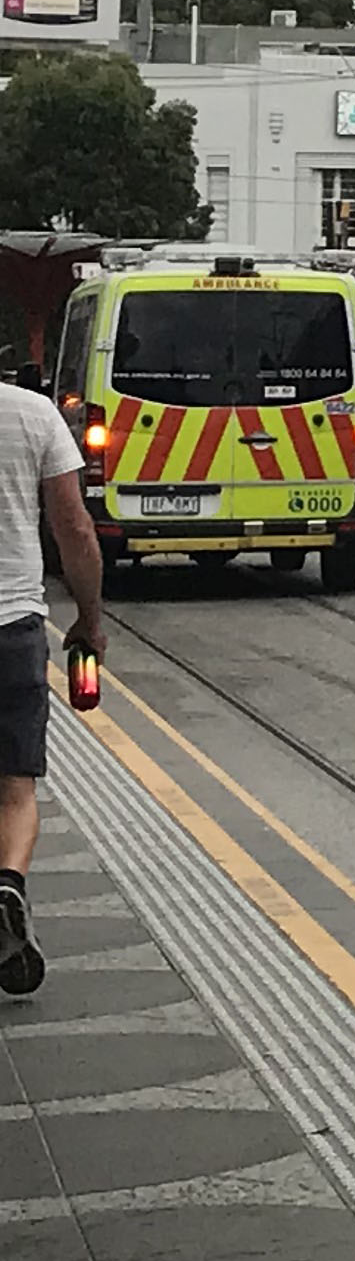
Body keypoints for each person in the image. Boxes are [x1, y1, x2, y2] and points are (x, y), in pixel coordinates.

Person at [0, 362, 105, 1000]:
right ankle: (8, 881)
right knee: (15, 788)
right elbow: (74, 527)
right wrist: (89, 621)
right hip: (13, 628)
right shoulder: (33, 413)